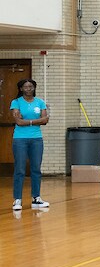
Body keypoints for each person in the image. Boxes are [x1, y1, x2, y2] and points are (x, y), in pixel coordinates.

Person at [11, 77, 50, 211]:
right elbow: (18, 122)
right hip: (20, 139)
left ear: (34, 88)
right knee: (20, 169)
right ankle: (17, 199)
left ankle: (36, 198)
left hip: (36, 139)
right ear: (21, 89)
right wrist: (36, 120)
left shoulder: (40, 102)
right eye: (26, 87)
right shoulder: (16, 102)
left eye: (31, 87)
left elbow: (45, 120)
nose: (28, 89)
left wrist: (28, 121)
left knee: (36, 169)